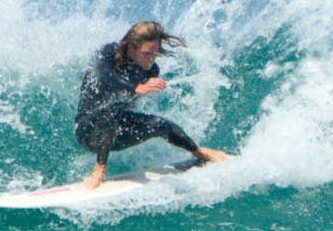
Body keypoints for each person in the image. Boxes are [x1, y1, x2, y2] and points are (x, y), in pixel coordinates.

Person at [75, 21, 228, 189]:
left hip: (114, 135)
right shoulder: (108, 53)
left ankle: (197, 150)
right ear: (131, 47)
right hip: (88, 130)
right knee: (111, 112)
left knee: (159, 124)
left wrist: (142, 87)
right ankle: (99, 169)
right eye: (147, 53)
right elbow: (103, 75)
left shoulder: (150, 71)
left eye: (155, 53)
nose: (152, 58)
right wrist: (136, 87)